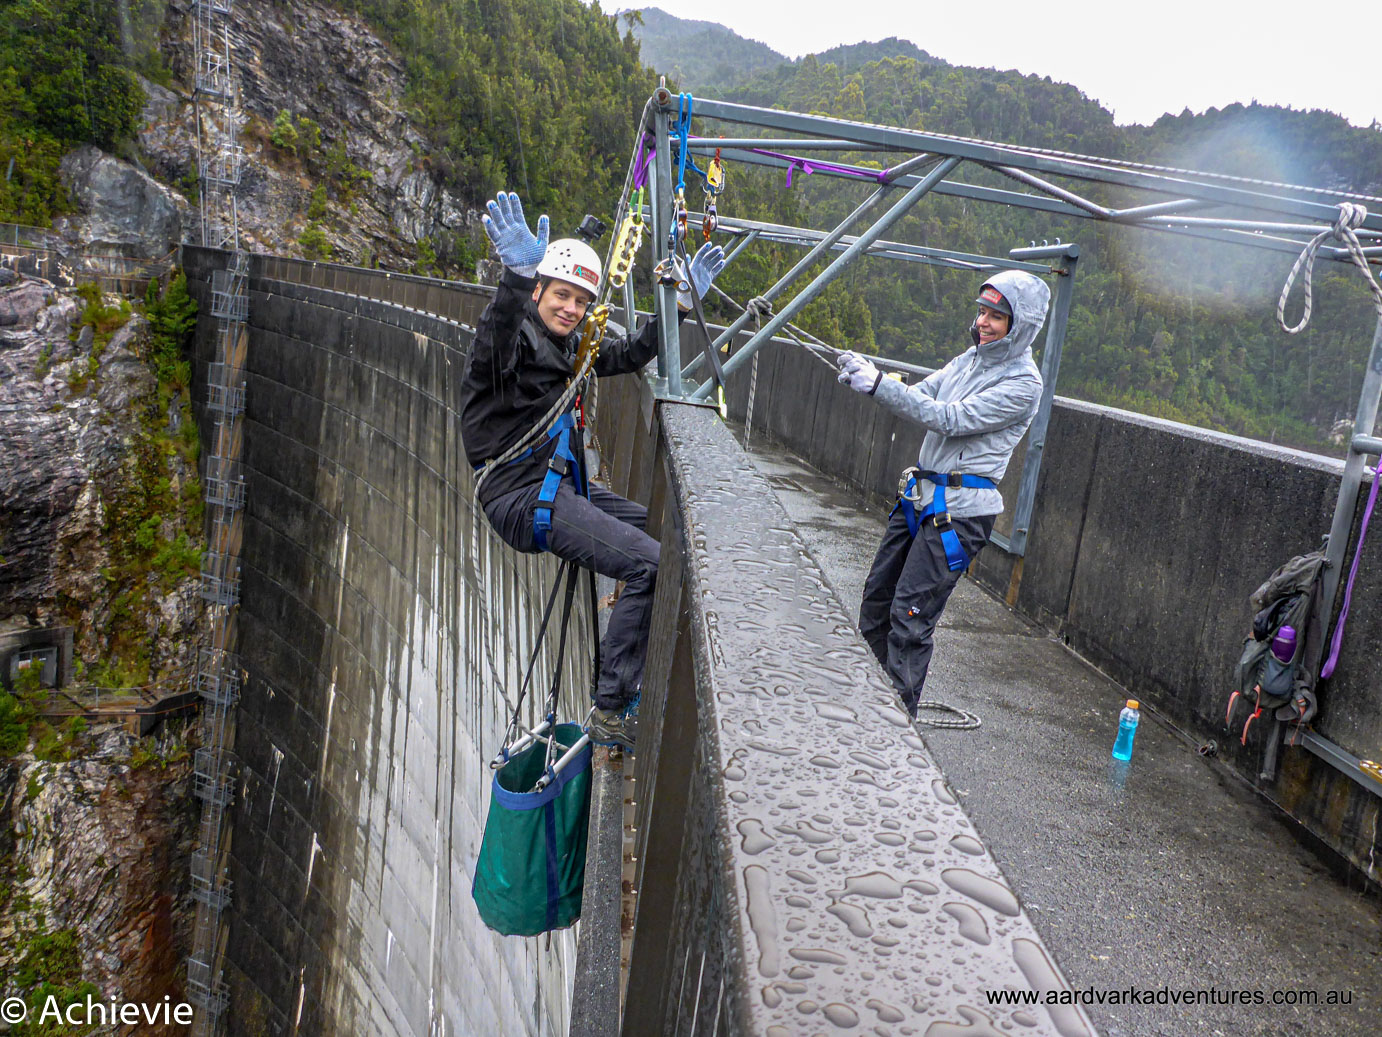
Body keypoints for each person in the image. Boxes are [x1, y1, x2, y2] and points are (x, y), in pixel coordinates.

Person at [461, 191, 725, 749]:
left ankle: (629, 628)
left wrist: (677, 310)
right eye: (561, 295)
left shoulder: (574, 346)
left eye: (581, 301)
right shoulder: (509, 348)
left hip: (556, 483)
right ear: (538, 291)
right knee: (649, 565)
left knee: (663, 535)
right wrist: (511, 279)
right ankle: (611, 708)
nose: (571, 309)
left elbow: (630, 355)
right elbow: (494, 338)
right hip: (517, 495)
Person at [835, 271, 1049, 716]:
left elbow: (950, 418)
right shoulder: (968, 360)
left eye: (997, 316)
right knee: (878, 599)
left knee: (910, 617)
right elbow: (920, 395)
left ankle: (896, 730)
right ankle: (868, 703)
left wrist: (878, 384)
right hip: (921, 498)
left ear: (1020, 325)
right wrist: (870, 380)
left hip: (961, 513)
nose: (985, 322)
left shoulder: (1023, 384)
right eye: (983, 311)